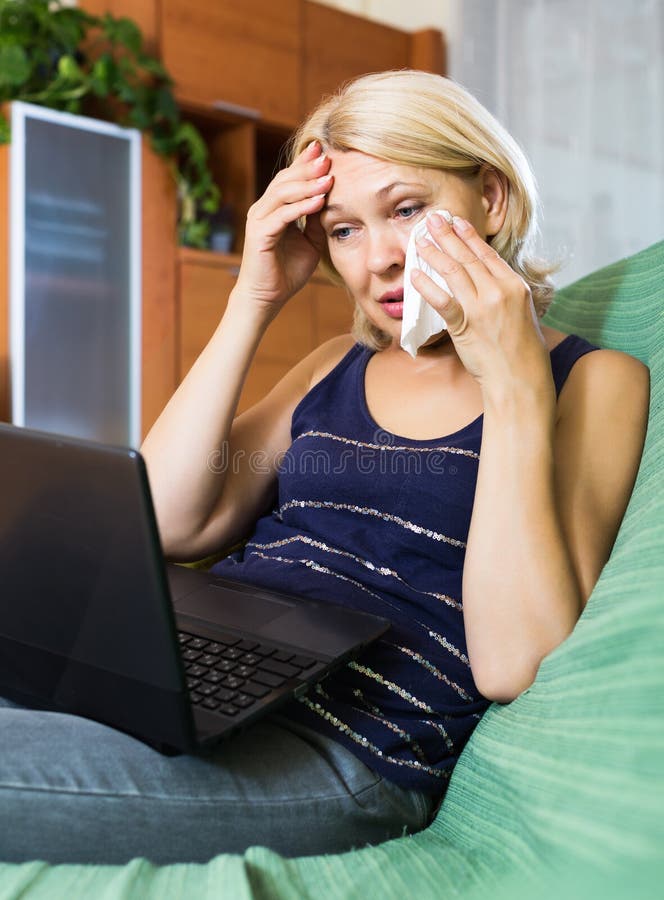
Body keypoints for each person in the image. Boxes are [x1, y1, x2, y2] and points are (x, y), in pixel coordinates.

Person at [0, 70, 649, 865]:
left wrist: (511, 377)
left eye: (407, 210)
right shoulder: (332, 365)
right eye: (342, 229)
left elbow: (513, 659)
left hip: (348, 749)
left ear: (492, 197)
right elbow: (170, 521)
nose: (378, 259)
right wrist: (253, 296)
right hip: (209, 679)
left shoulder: (591, 383)